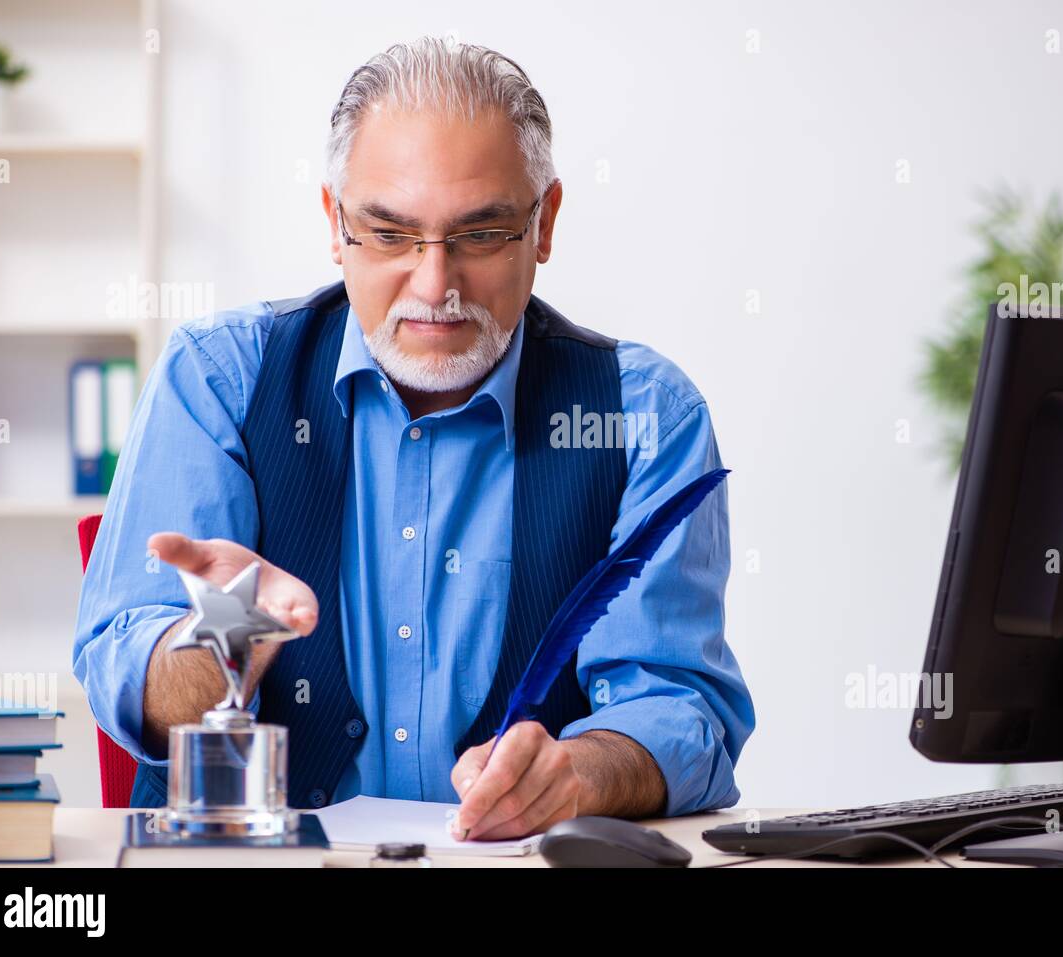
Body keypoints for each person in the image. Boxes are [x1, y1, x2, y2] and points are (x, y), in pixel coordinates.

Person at [74, 36, 754, 841]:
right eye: (391, 235)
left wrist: (579, 772)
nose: (436, 285)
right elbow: (122, 673)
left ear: (545, 223)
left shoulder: (645, 416)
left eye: (481, 235)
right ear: (334, 222)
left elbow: (681, 707)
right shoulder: (217, 379)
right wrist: (230, 629)